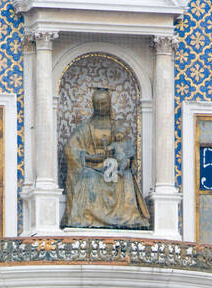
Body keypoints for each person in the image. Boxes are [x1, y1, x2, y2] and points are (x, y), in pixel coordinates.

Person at [62, 89, 150, 229]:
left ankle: (128, 218)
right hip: (92, 168)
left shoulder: (118, 127)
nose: (101, 107)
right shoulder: (85, 128)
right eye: (98, 104)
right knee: (88, 176)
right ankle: (87, 218)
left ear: (109, 104)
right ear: (94, 105)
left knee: (126, 176)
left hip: (112, 168)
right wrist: (88, 157)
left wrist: (126, 160)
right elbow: (70, 149)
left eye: (104, 103)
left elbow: (126, 149)